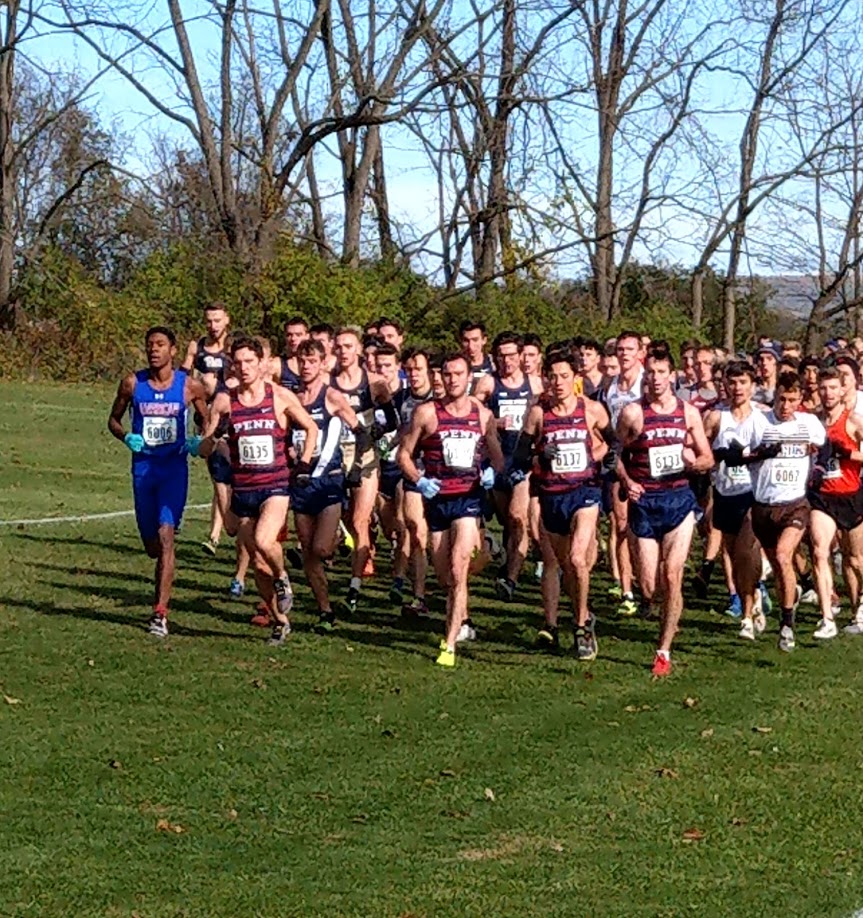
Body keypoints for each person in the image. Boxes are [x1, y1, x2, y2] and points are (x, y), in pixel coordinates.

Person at [200, 335, 319, 645]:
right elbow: (203, 448)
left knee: (266, 540)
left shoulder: (279, 396)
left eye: (249, 362)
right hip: (244, 489)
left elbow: (311, 427)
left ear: (261, 364)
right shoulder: (225, 401)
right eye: (238, 363)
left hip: (275, 486)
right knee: (257, 562)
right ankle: (280, 621)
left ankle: (283, 578)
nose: (244, 368)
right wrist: (217, 436)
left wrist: (304, 463)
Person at [399, 353, 504, 668]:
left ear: (469, 377)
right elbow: (403, 455)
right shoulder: (426, 413)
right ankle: (487, 549)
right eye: (447, 374)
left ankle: (449, 644)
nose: (452, 379)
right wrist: (419, 480)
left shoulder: (482, 415)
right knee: (445, 575)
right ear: (440, 378)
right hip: (437, 501)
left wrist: (492, 473)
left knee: (459, 569)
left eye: (459, 374)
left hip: (468, 501)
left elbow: (498, 456)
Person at [617, 342, 714, 676]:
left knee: (672, 574)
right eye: (652, 373)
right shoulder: (632, 413)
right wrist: (627, 481)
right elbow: (615, 454)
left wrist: (692, 462)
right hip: (644, 503)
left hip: (678, 501)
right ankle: (664, 610)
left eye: (662, 373)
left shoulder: (688, 412)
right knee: (649, 585)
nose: (656, 379)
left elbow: (707, 457)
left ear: (672, 375)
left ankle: (664, 650)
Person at [107, 326, 208, 636]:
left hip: (174, 471)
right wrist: (127, 438)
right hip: (143, 470)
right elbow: (112, 420)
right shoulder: (132, 384)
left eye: (161, 345)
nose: (154, 350)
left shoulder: (189, 387)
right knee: (152, 546)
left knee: (166, 537)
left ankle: (160, 613)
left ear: (173, 350)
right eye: (150, 345)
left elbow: (208, 420)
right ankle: (160, 593)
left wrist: (198, 439)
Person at [518, 350, 610, 658]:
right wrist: (538, 457)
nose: (558, 383)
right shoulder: (537, 413)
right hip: (551, 495)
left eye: (564, 376)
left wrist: (598, 459)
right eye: (552, 376)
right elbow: (518, 456)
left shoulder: (592, 410)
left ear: (576, 379)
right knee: (565, 567)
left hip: (584, 491)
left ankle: (582, 626)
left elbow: (615, 444)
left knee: (577, 558)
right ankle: (580, 611)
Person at [291, 339, 367, 631]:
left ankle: (339, 535)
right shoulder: (291, 397)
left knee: (321, 549)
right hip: (301, 483)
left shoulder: (332, 396)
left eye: (312, 361)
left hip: (330, 479)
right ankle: (326, 612)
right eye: (302, 361)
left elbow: (360, 432)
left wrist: (355, 467)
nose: (307, 366)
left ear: (323, 363)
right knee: (309, 554)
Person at [746, 372, 826, 652]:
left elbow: (824, 447)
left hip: (795, 503)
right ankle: (788, 604)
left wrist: (818, 468)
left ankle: (787, 625)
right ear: (774, 397)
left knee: (783, 555)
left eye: (792, 400)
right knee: (780, 569)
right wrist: (760, 455)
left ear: (800, 400)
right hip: (763, 506)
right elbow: (736, 459)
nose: (786, 405)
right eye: (781, 399)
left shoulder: (809, 424)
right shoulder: (759, 422)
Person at [332, 326, 399, 611]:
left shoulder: (374, 383)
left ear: (359, 350)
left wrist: (374, 432)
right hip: (334, 457)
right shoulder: (328, 382)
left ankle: (354, 587)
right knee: (342, 518)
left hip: (365, 457)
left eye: (348, 346)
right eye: (339, 347)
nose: (343, 352)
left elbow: (393, 420)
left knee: (360, 520)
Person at [473, 331, 544, 600]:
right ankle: (509, 558)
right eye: (501, 356)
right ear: (495, 358)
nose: (507, 361)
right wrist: (496, 422)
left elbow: (546, 417)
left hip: (522, 462)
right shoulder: (488, 384)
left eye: (512, 355)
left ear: (520, 355)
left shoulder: (535, 384)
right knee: (507, 522)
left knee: (517, 517)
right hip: (497, 461)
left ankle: (510, 579)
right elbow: (472, 414)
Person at [702, 361, 770, 640]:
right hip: (725, 493)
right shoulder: (715, 417)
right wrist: (718, 456)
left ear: (752, 385)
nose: (737, 388)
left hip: (752, 493)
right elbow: (700, 452)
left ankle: (745, 617)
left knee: (746, 550)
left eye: (743, 382)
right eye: (732, 383)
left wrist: (753, 456)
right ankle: (751, 600)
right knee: (734, 556)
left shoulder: (764, 416)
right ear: (725, 386)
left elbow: (773, 452)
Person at [809, 366, 863, 638]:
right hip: (823, 497)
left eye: (833, 388)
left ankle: (860, 606)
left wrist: (848, 454)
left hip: (851, 496)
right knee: (820, 552)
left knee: (855, 560)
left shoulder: (853, 422)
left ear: (843, 391)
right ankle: (827, 618)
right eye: (823, 388)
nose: (828, 393)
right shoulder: (812, 423)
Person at [181, 301, 232, 556]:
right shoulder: (196, 347)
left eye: (217, 320)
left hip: (230, 418)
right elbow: (182, 379)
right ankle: (215, 534)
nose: (213, 326)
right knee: (217, 476)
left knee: (226, 476)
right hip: (205, 418)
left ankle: (225, 530)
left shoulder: (234, 350)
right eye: (209, 321)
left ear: (227, 321)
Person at [602, 330, 645, 615]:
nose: (625, 353)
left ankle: (649, 586)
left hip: (646, 458)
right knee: (620, 524)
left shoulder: (648, 382)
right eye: (621, 349)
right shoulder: (611, 386)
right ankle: (627, 589)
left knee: (646, 527)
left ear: (640, 352)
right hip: (618, 459)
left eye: (630, 349)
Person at [270, 316, 309, 392]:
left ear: (307, 336)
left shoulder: (319, 364)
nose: (293, 339)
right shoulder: (277, 364)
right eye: (289, 335)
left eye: (298, 335)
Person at [459, 320, 494, 392]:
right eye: (466, 341)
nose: (471, 346)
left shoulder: (494, 363)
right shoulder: (455, 365)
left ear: (484, 340)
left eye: (475, 340)